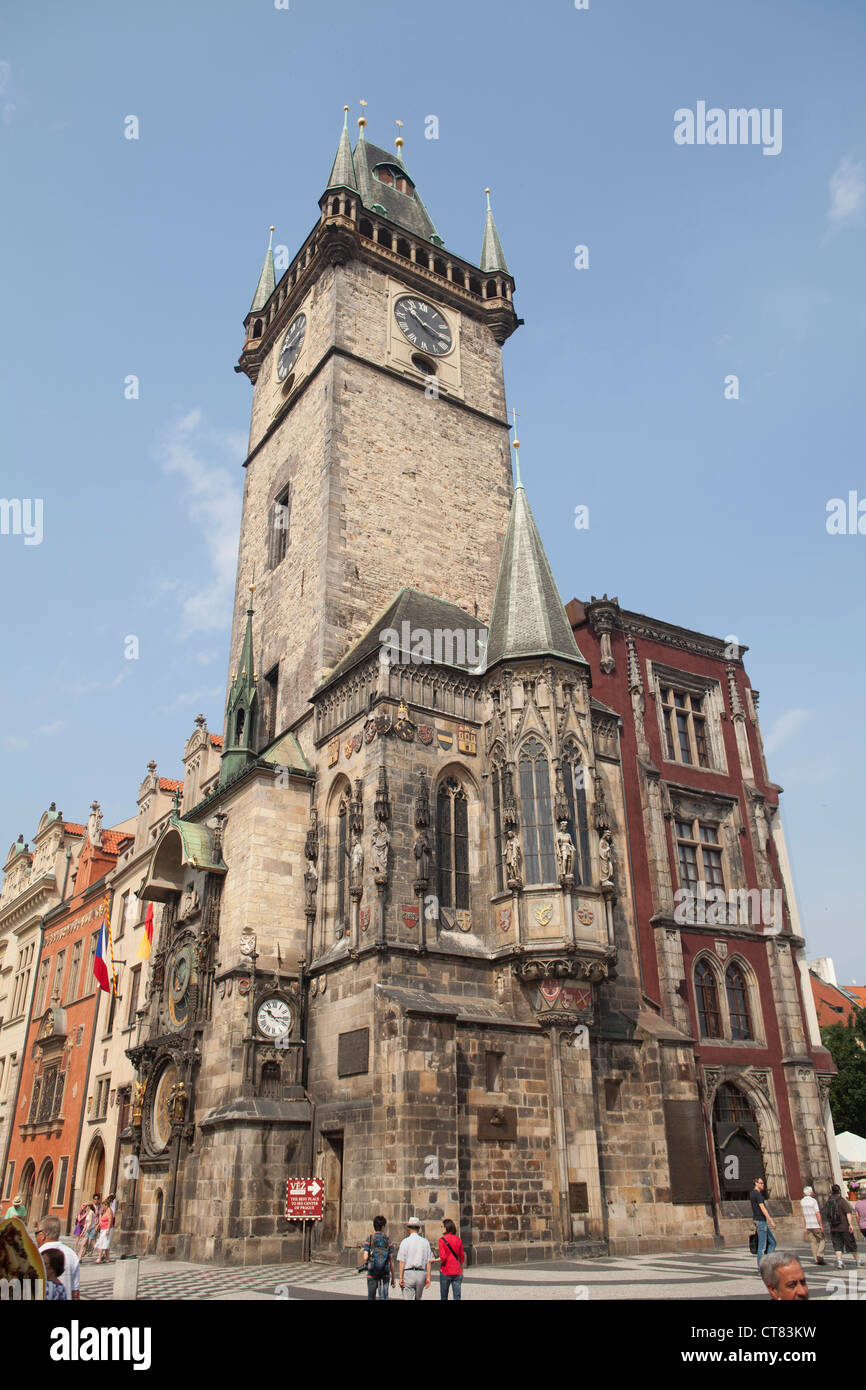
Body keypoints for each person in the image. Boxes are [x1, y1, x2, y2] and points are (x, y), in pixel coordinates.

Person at [36, 1213, 81, 1301]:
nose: (36, 1237)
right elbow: (75, 1294)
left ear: (43, 1235)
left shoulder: (36, 1256)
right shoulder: (72, 1255)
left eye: (36, 1233)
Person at [397, 1217, 433, 1301]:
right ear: (419, 1228)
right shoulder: (425, 1242)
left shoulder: (405, 1242)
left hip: (408, 1273)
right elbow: (428, 1261)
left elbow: (402, 1261)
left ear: (408, 1228)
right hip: (421, 1273)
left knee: (407, 1297)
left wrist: (401, 1277)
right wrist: (428, 1277)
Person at [361, 1215, 396, 1300]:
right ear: (383, 1227)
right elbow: (391, 1259)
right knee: (384, 1297)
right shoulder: (387, 1240)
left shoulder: (369, 1239)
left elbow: (365, 1257)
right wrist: (393, 1277)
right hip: (385, 1272)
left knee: (371, 1296)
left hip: (372, 1272)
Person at [825, 1183, 857, 1269]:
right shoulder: (842, 1201)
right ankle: (857, 1260)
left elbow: (826, 1213)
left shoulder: (829, 1201)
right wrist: (850, 1224)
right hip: (844, 1226)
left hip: (834, 1227)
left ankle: (839, 1262)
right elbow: (848, 1213)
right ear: (839, 1191)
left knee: (837, 1245)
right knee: (850, 1243)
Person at [750, 1177, 776, 1269]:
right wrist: (771, 1220)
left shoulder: (752, 1194)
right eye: (761, 1183)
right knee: (762, 1246)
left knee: (772, 1242)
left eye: (763, 1183)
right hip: (761, 1221)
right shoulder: (757, 1195)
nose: (763, 1185)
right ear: (756, 1183)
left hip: (759, 1221)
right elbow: (762, 1208)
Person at [438, 1218, 465, 1300]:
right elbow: (462, 1257)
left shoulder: (442, 1240)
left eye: (442, 1226)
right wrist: (462, 1271)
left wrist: (434, 1260)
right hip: (457, 1271)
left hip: (446, 1271)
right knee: (457, 1296)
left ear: (446, 1227)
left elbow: (443, 1257)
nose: (441, 1228)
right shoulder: (458, 1239)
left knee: (444, 1296)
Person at [799, 1186, 826, 1265]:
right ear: (811, 1193)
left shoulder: (802, 1201)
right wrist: (821, 1225)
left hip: (808, 1225)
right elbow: (817, 1213)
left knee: (813, 1242)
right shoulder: (813, 1201)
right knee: (823, 1239)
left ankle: (815, 1259)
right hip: (815, 1224)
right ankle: (819, 1254)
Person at [94, 1198, 115, 1263]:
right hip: (103, 1229)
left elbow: (110, 1220)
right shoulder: (105, 1211)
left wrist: (108, 1230)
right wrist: (97, 1226)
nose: (102, 1207)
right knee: (106, 1244)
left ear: (106, 1205)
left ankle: (99, 1258)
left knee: (102, 1243)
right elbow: (101, 1220)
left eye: (103, 1206)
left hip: (107, 1229)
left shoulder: (109, 1210)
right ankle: (107, 1258)